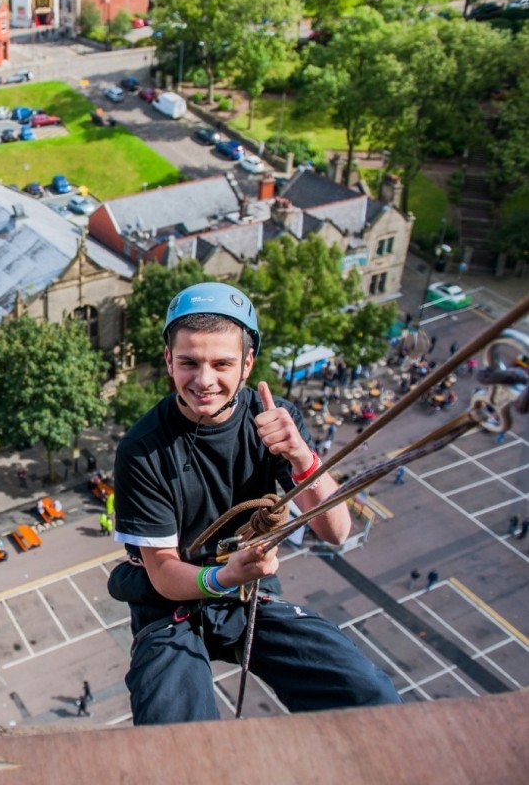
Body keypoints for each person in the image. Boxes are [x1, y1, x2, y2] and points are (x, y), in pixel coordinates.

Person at [109, 283, 401, 726]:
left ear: (247, 364)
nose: (204, 381)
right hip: (170, 605)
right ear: (168, 361)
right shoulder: (143, 449)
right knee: (178, 733)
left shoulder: (273, 422)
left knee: (368, 692)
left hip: (247, 595)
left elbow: (336, 531)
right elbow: (165, 573)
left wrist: (301, 457)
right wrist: (224, 575)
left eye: (222, 364)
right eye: (188, 362)